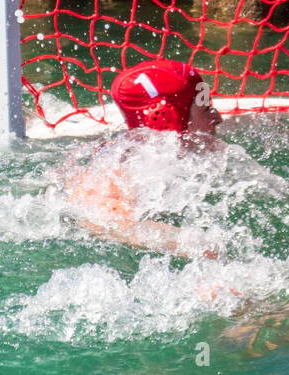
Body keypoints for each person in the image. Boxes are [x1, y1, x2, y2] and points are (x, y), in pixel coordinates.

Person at [63, 59, 224, 257]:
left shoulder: (164, 158)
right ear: (167, 120)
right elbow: (100, 219)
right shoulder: (130, 169)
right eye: (206, 109)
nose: (218, 118)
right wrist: (201, 247)